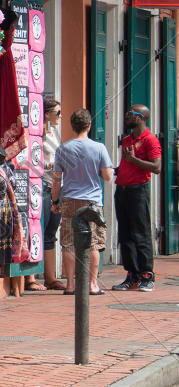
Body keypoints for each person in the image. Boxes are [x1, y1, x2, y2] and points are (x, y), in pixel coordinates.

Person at [52, 108, 112, 296]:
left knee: (68, 242)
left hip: (70, 199)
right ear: (89, 125)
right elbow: (108, 176)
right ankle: (92, 284)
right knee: (93, 242)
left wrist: (55, 200)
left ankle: (70, 284)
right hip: (93, 201)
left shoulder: (63, 149)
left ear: (72, 126)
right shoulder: (99, 148)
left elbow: (56, 179)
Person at [113, 103, 161, 291]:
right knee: (125, 234)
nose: (126, 116)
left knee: (140, 233)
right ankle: (132, 274)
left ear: (139, 118)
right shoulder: (127, 140)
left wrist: (134, 161)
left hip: (138, 191)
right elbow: (127, 164)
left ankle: (147, 274)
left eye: (129, 114)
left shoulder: (150, 140)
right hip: (122, 190)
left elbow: (157, 167)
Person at [39, 99, 63, 290]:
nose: (60, 116)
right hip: (42, 186)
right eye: (57, 112)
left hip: (55, 184)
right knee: (38, 229)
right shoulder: (37, 132)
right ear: (46, 114)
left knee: (51, 232)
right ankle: (31, 277)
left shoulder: (53, 131)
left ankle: (50, 277)